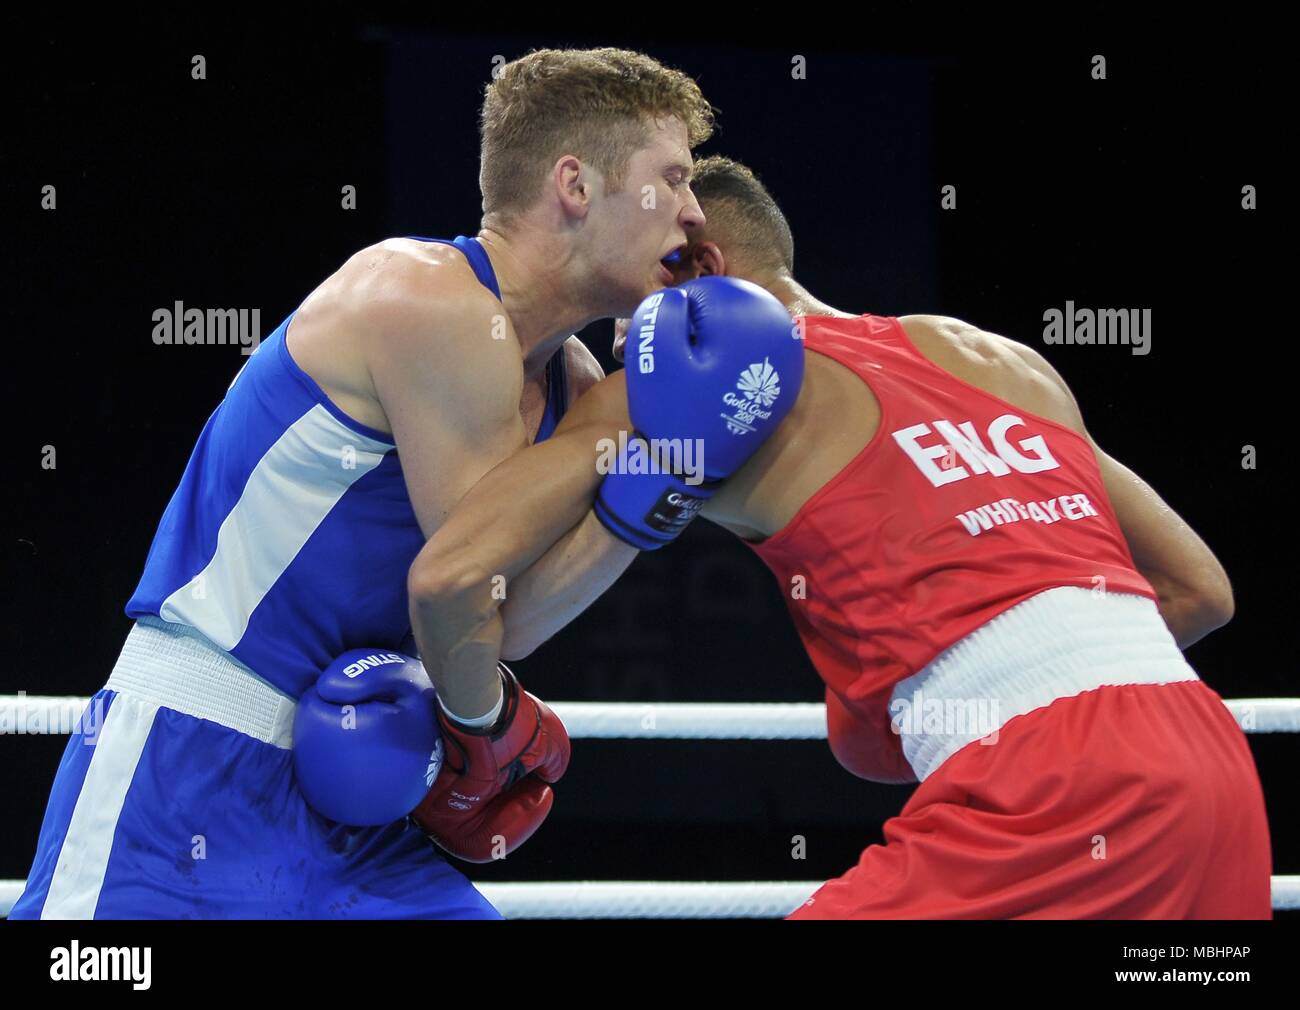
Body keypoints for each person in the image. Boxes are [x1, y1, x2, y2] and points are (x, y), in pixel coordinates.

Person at [409, 155, 1271, 919]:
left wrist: (479, 718)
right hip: (1213, 768)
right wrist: (946, 701)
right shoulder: (995, 357)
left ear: (703, 267)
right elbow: (1201, 590)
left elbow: (471, 585)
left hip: (1054, 794)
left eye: (631, 305)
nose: (621, 341)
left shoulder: (689, 380)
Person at [9, 47, 714, 920]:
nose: (692, 211)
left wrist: (654, 471)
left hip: (360, 812)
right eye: (673, 178)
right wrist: (623, 429)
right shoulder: (423, 296)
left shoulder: (569, 378)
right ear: (575, 183)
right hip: (189, 769)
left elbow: (505, 616)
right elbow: (463, 574)